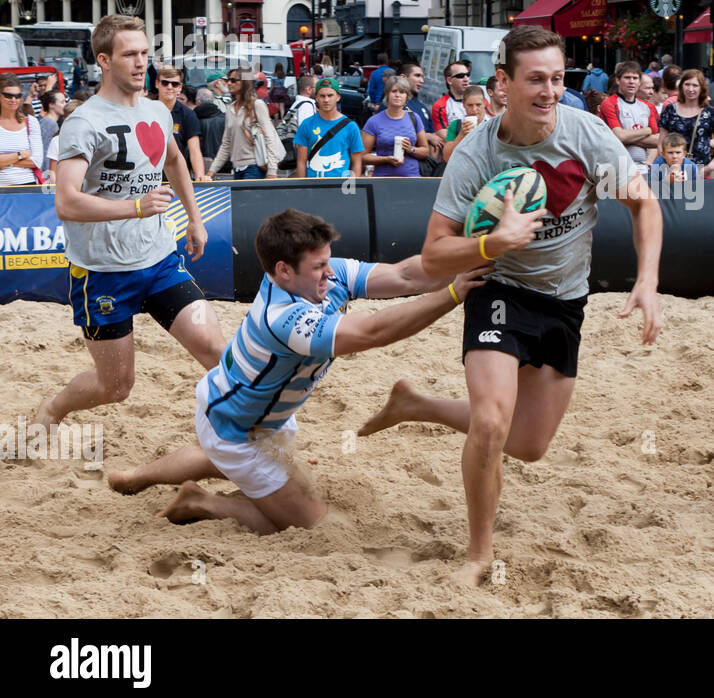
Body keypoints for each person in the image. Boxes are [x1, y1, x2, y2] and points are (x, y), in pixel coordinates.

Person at [358, 24, 662, 586]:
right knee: (494, 424)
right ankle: (477, 555)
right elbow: (433, 251)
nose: (549, 92)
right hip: (496, 289)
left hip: (565, 301)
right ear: (504, 83)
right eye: (535, 80)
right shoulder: (477, 152)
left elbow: (645, 207)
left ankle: (415, 403)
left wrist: (647, 280)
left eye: (557, 78)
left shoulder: (587, 135)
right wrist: (493, 244)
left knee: (528, 445)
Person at [107, 209, 489, 533]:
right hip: (237, 428)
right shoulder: (285, 319)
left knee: (215, 458)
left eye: (328, 260)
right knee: (306, 524)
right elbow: (375, 332)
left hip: (244, 407)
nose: (329, 272)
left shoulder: (319, 278)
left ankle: (139, 477)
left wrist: (472, 257)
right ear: (283, 270)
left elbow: (406, 276)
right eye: (318, 266)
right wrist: (452, 295)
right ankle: (201, 502)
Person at [33, 15, 225, 430]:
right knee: (116, 386)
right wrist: (135, 206)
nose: (142, 64)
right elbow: (66, 202)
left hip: (158, 260)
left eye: (145, 54)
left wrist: (194, 218)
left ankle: (250, 438)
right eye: (130, 55)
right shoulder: (84, 121)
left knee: (215, 349)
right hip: (102, 271)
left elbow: (174, 160)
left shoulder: (157, 110)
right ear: (104, 60)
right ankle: (53, 408)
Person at [206, 67, 282, 180]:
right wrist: (211, 172)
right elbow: (226, 144)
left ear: (245, 83)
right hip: (237, 169)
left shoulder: (257, 105)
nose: (229, 83)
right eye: (228, 80)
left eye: (233, 80)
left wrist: (272, 171)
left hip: (255, 167)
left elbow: (269, 137)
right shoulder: (230, 108)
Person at [599, 60, 660, 176]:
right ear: (618, 80)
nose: (631, 82)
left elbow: (658, 140)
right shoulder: (609, 103)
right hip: (616, 169)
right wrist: (647, 130)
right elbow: (619, 136)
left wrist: (628, 138)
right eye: (627, 77)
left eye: (635, 78)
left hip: (643, 169)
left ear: (639, 82)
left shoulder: (648, 107)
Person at [294, 78, 363, 178]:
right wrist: (302, 189)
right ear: (316, 98)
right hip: (313, 186)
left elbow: (357, 162)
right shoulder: (307, 124)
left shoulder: (351, 127)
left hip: (341, 187)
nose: (326, 100)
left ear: (338, 97)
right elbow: (301, 162)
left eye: (330, 95)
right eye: (322, 96)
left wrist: (352, 188)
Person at [657, 68, 714, 175]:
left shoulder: (711, 113)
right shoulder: (670, 110)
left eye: (695, 85)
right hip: (673, 170)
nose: (690, 89)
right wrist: (668, 166)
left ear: (702, 88)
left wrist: (709, 168)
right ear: (681, 86)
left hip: (701, 170)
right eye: (687, 84)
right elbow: (661, 143)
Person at [362, 77, 427, 177]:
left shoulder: (414, 118)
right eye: (394, 91)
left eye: (402, 92)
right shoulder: (374, 121)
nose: (397, 95)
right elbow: (363, 156)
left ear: (407, 96)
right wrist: (386, 159)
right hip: (383, 180)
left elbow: (425, 151)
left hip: (412, 179)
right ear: (387, 94)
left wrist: (411, 149)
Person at [156, 64, 207, 181]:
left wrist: (200, 176)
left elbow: (194, 149)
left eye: (174, 84)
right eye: (165, 83)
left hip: (177, 178)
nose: (170, 87)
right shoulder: (145, 110)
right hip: (149, 178)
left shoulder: (188, 115)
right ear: (157, 84)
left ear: (180, 87)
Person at [0, 73, 45, 186]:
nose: (14, 100)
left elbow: (37, 161)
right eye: (8, 95)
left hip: (27, 186)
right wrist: (20, 155)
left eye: (18, 96)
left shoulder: (31, 122)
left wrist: (5, 161)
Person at [430, 60, 472, 155]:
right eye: (460, 76)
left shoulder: (480, 101)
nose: (466, 78)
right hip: (454, 155)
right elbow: (445, 136)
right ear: (449, 80)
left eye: (467, 75)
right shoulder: (440, 105)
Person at [441, 84, 488, 161]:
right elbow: (446, 157)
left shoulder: (492, 124)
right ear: (463, 104)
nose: (474, 109)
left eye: (478, 105)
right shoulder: (456, 125)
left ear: (484, 103)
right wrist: (461, 135)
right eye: (470, 105)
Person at [194, 88, 227, 172]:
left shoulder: (195, 120)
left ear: (198, 102)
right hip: (225, 165)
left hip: (203, 167)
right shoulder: (225, 118)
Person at [38, 88, 65, 157]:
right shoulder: (49, 123)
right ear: (51, 105)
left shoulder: (50, 122)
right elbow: (45, 151)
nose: (65, 105)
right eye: (62, 102)